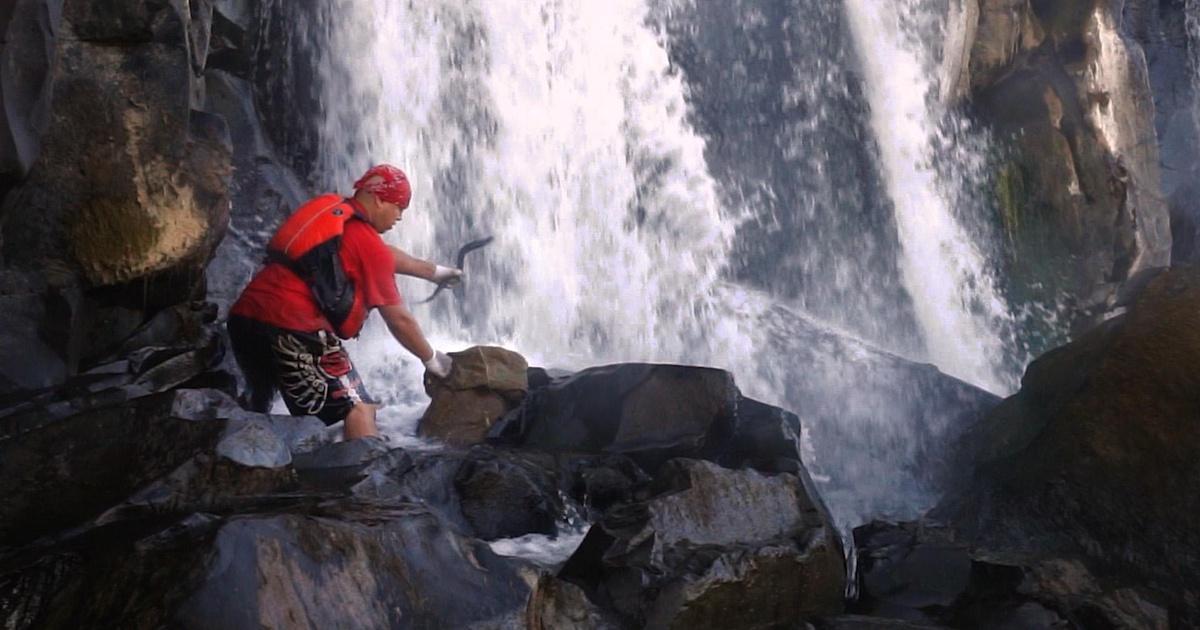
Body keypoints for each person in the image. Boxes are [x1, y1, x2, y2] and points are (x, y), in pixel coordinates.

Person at [226, 164, 460, 439]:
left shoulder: (330, 209)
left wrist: (433, 272)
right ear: (379, 199)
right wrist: (431, 359)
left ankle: (246, 462)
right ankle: (364, 479)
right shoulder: (368, 243)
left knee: (259, 398)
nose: (400, 217)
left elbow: (380, 253)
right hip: (294, 326)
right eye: (399, 207)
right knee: (358, 409)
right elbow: (399, 319)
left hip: (244, 318)